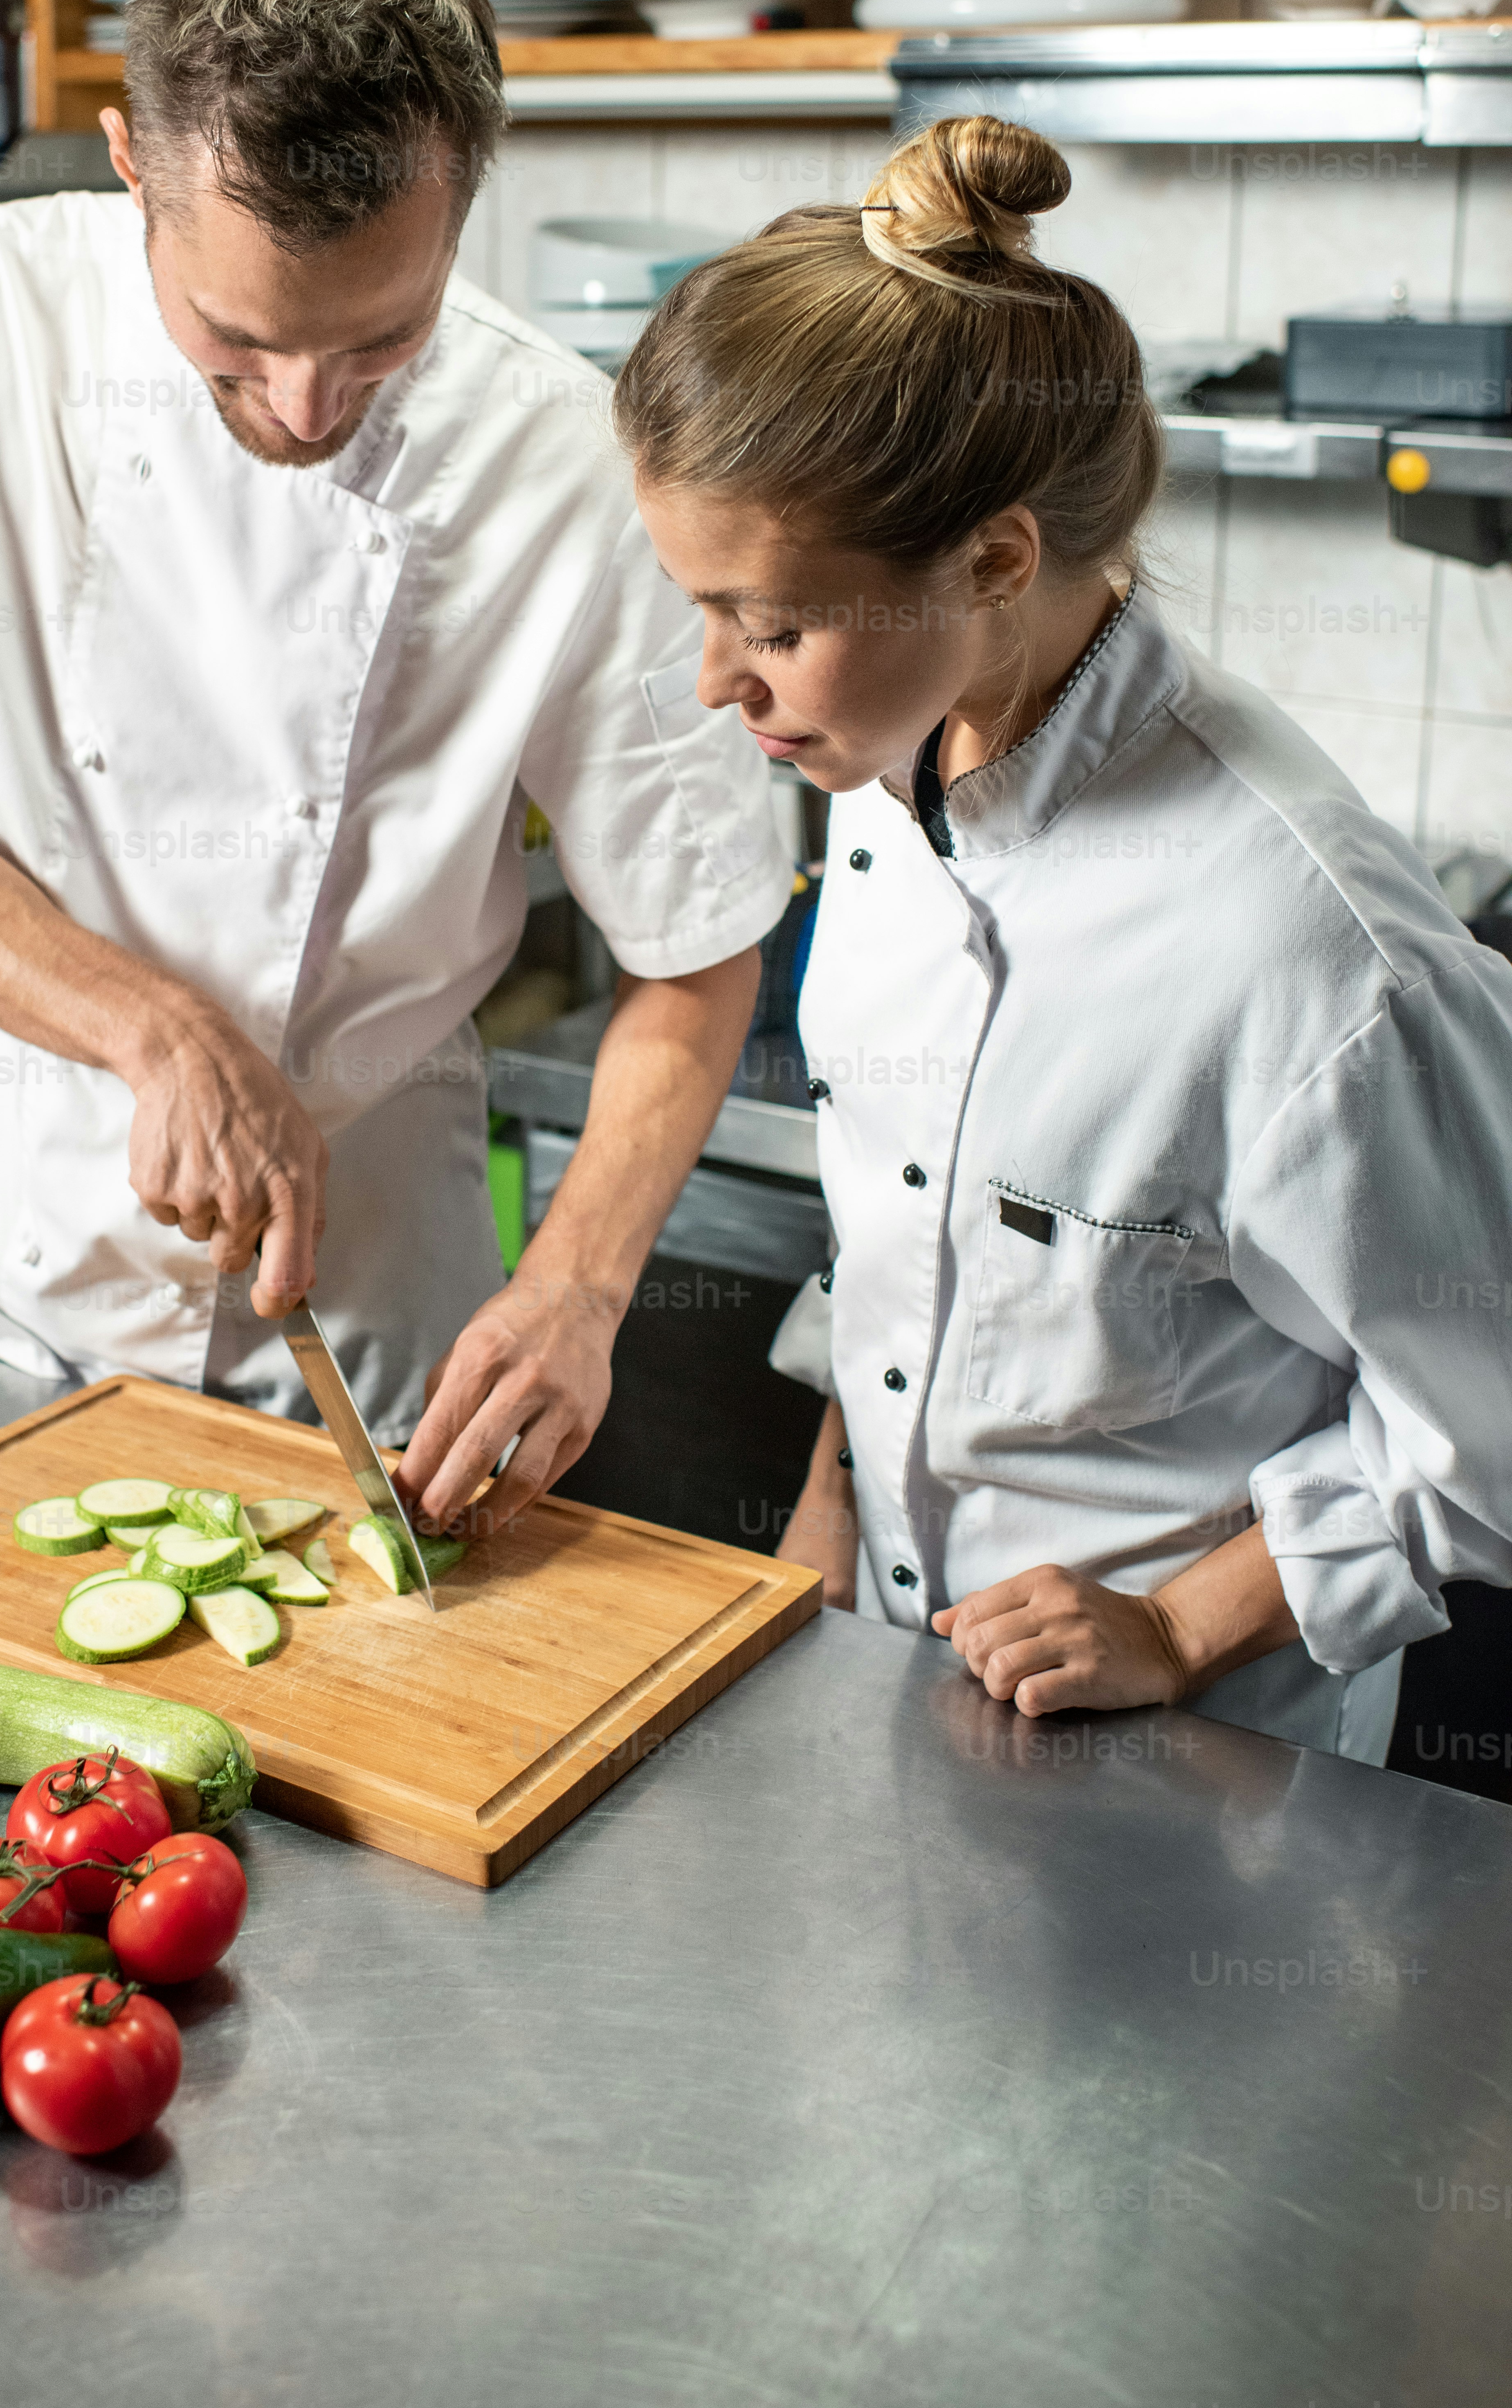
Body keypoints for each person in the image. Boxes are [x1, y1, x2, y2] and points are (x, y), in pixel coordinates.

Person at [0, 0, 792, 1514]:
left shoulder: (573, 462)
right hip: (8, 1320)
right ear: (129, 162)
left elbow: (699, 941)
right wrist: (156, 1033)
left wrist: (580, 1280)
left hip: (377, 1352)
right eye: (235, 346)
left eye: (384, 341)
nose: (304, 407)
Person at [607, 111, 1512, 1758]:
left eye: (774, 624)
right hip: (891, 1690)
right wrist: (823, 1539)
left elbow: (1488, 1422)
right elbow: (903, 1215)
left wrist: (1177, 1623)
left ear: (995, 559)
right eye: (703, 607)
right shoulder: (893, 755)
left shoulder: (1302, 948)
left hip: (1206, 1769)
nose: (716, 680)